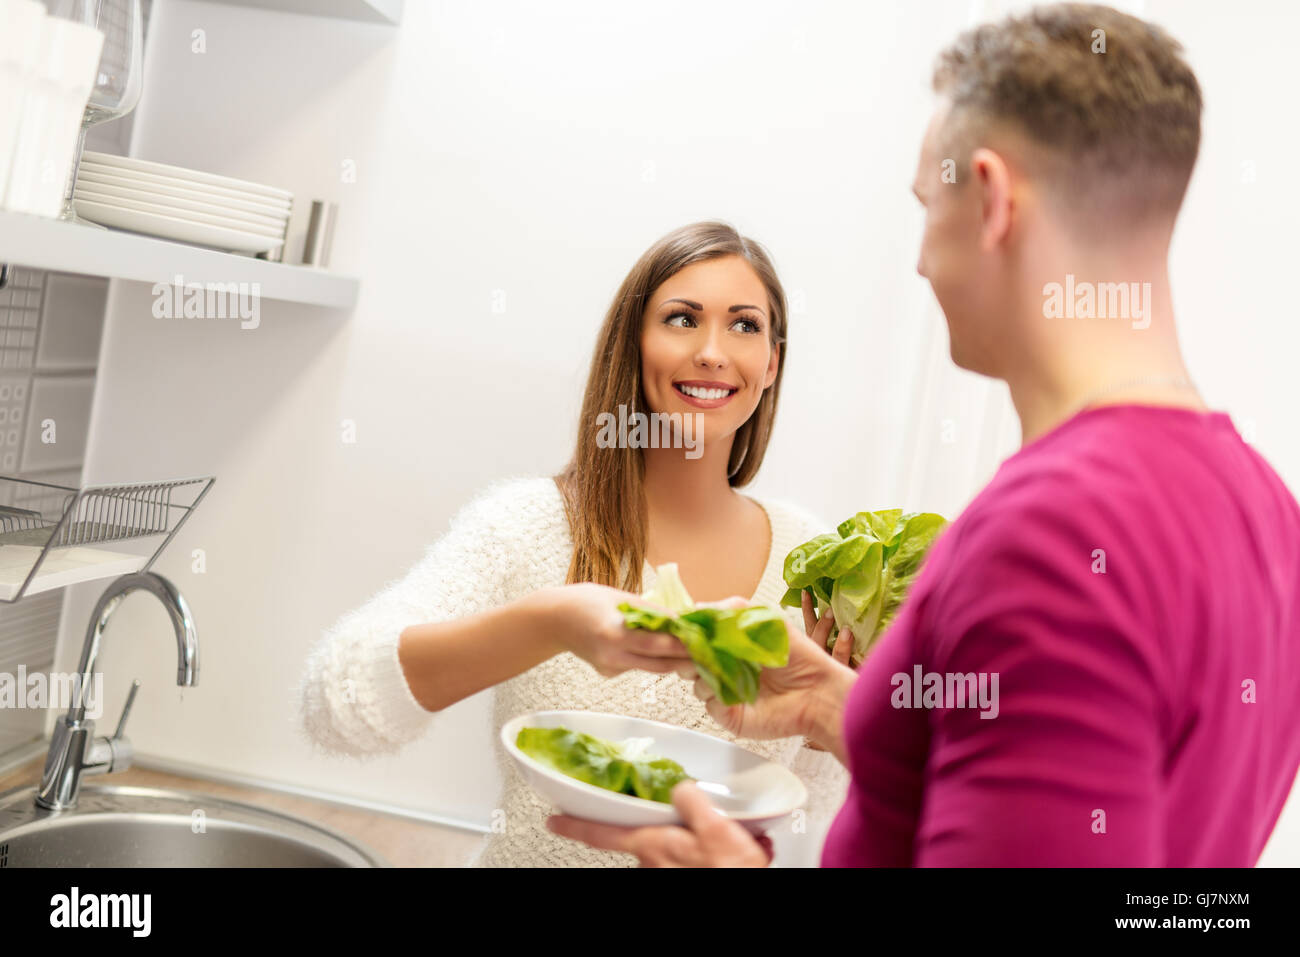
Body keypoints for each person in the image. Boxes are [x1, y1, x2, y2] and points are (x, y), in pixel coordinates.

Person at [549, 3, 1300, 867]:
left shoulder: (1053, 534)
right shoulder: (1266, 509)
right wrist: (838, 709)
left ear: (991, 198)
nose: (919, 261)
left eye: (927, 206)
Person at [297, 221, 851, 867]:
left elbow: (810, 818)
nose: (711, 350)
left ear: (772, 363)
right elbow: (335, 705)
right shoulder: (528, 523)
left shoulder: (812, 560)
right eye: (681, 318)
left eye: (744, 325)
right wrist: (551, 621)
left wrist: (827, 722)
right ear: (633, 344)